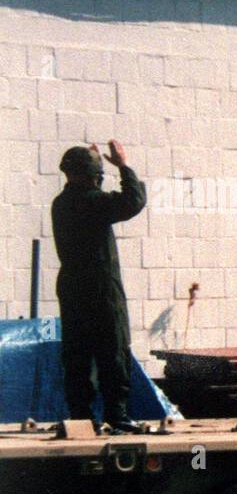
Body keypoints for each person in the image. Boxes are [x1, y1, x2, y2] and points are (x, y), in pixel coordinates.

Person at [51, 140, 147, 433]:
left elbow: (95, 200)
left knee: (77, 353)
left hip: (72, 287)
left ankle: (81, 415)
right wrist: (123, 166)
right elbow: (133, 201)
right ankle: (115, 414)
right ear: (95, 175)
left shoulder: (62, 203)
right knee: (112, 349)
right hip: (101, 288)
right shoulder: (93, 202)